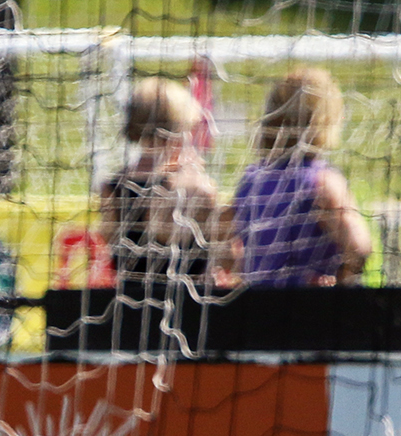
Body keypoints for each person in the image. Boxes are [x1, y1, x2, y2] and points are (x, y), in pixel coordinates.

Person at [217, 67, 372, 287]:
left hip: (258, 301)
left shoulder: (251, 181)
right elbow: (360, 248)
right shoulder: (323, 183)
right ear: (326, 119)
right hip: (307, 301)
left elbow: (227, 248)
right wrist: (342, 278)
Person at [99, 77, 217, 288]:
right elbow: (222, 255)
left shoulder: (112, 187)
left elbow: (109, 241)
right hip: (187, 300)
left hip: (128, 298)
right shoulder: (194, 186)